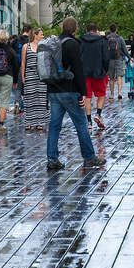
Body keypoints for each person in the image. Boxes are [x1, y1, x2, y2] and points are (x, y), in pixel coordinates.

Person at [46, 17, 101, 171]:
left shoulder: (54, 43)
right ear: (75, 29)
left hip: (54, 90)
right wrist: (83, 92)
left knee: (55, 125)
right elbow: (78, 69)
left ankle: (52, 159)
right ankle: (89, 157)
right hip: (69, 90)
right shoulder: (72, 44)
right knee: (81, 124)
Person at [78, 20, 111, 131]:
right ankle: (98, 114)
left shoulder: (81, 40)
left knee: (87, 97)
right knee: (101, 95)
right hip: (99, 72)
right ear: (96, 31)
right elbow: (106, 58)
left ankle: (89, 121)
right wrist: (105, 70)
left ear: (87, 31)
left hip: (84, 72)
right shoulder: (102, 41)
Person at [20, 26, 49, 130]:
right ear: (35, 35)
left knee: (41, 99)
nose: (43, 36)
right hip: (30, 75)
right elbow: (23, 63)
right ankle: (29, 121)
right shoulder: (25, 46)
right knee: (30, 99)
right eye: (41, 34)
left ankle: (39, 122)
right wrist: (23, 76)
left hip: (41, 76)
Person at [106, 27, 128, 103]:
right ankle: (119, 93)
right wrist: (128, 57)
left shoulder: (107, 38)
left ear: (110, 30)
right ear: (116, 30)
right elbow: (124, 49)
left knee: (111, 77)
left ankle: (112, 94)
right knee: (119, 76)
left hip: (110, 59)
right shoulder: (120, 38)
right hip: (119, 58)